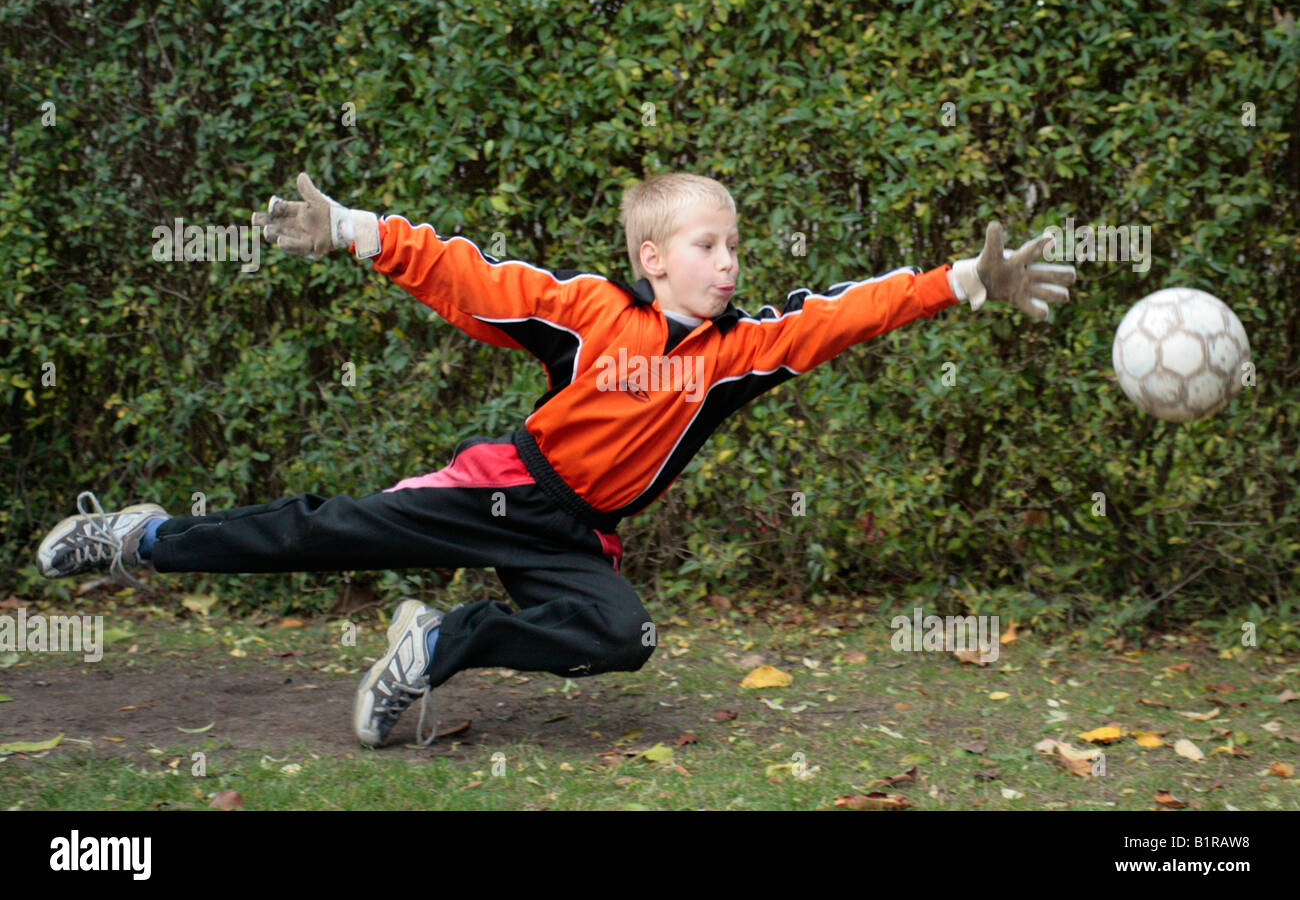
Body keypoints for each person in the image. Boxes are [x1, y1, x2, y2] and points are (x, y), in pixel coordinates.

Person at [36, 171, 1076, 747]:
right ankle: (142, 535)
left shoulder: (740, 352)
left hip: (578, 533)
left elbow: (844, 314)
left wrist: (961, 280)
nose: (729, 261)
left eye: (734, 244)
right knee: (326, 526)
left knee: (621, 636)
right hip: (502, 490)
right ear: (652, 257)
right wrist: (353, 228)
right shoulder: (585, 312)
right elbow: (462, 275)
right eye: (708, 244)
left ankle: (439, 646)